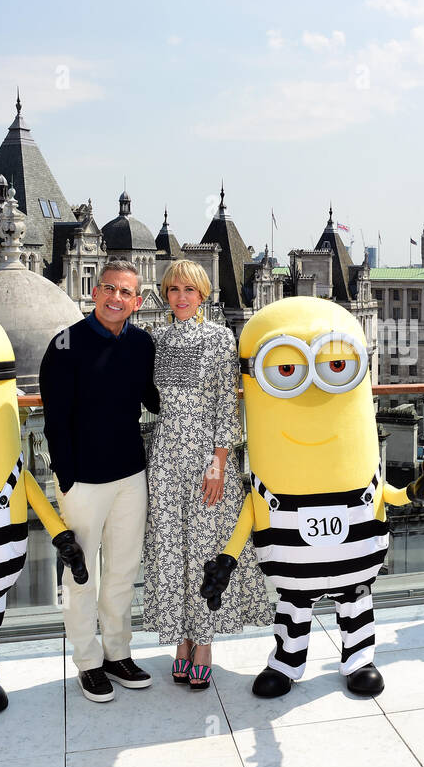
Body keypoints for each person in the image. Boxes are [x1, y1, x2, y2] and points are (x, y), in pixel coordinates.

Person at [141, 260, 272, 689]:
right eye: (174, 288)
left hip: (205, 460)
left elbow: (224, 403)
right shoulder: (156, 338)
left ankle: (204, 642)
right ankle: (180, 638)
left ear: (203, 295)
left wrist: (219, 462)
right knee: (170, 551)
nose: (181, 296)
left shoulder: (218, 338)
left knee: (203, 551)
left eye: (189, 290)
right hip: (164, 457)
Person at [39, 260, 160, 703]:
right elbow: (54, 421)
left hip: (131, 473)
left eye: (126, 292)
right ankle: (87, 663)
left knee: (124, 570)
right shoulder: (66, 343)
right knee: (80, 575)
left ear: (138, 301)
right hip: (83, 480)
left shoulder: (143, 343)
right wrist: (67, 478)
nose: (116, 298)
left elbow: (155, 397)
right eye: (109, 288)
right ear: (94, 291)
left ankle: (117, 653)